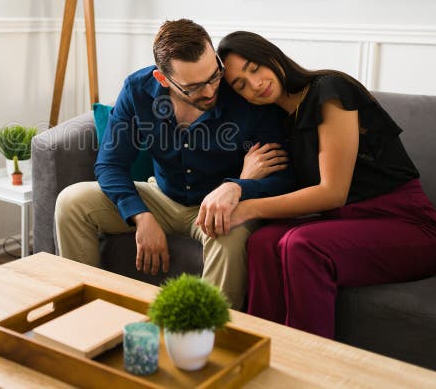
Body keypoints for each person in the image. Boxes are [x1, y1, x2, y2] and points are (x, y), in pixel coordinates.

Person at [217, 31, 436, 338]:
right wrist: (242, 182)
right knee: (263, 242)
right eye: (241, 85)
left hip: (408, 225)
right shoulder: (276, 120)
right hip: (345, 223)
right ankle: (262, 348)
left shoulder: (329, 91)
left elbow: (333, 193)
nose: (255, 84)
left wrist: (248, 208)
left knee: (301, 245)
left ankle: (309, 360)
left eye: (255, 68)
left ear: (271, 56)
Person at [55, 19, 294, 308]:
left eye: (214, 76)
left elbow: (284, 178)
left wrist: (238, 186)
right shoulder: (137, 91)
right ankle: (84, 311)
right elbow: (110, 165)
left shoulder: (243, 94)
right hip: (160, 196)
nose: (210, 91)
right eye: (194, 87)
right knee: (71, 202)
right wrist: (141, 216)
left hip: (221, 207)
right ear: (163, 79)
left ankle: (209, 331)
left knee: (230, 239)